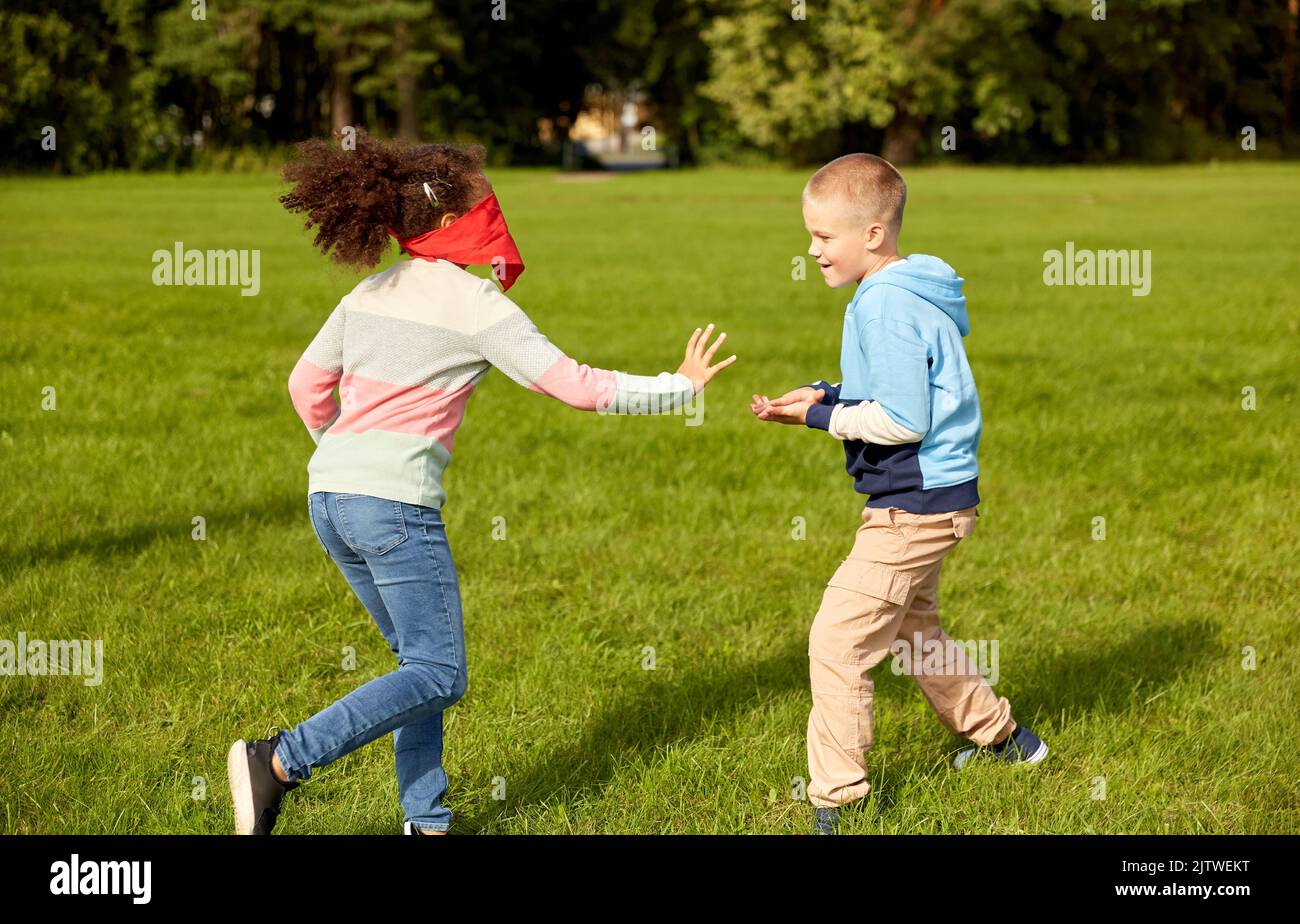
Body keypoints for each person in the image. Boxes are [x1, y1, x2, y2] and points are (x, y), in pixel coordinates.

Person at [227, 129, 735, 835]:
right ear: (446, 222)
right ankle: (279, 760)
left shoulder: (368, 294)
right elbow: (577, 387)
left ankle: (426, 822)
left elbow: (306, 383)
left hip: (330, 498)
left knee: (416, 665)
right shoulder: (476, 307)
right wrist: (678, 388)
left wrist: (344, 455)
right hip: (393, 508)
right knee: (440, 672)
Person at [752, 153, 1046, 835]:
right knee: (916, 637)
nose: (812, 249)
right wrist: (827, 393)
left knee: (837, 643)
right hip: (933, 499)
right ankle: (1010, 744)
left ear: (873, 234)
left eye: (824, 237)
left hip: (912, 507)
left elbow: (903, 419)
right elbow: (893, 385)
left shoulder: (884, 303)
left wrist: (819, 417)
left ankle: (839, 802)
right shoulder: (907, 290)